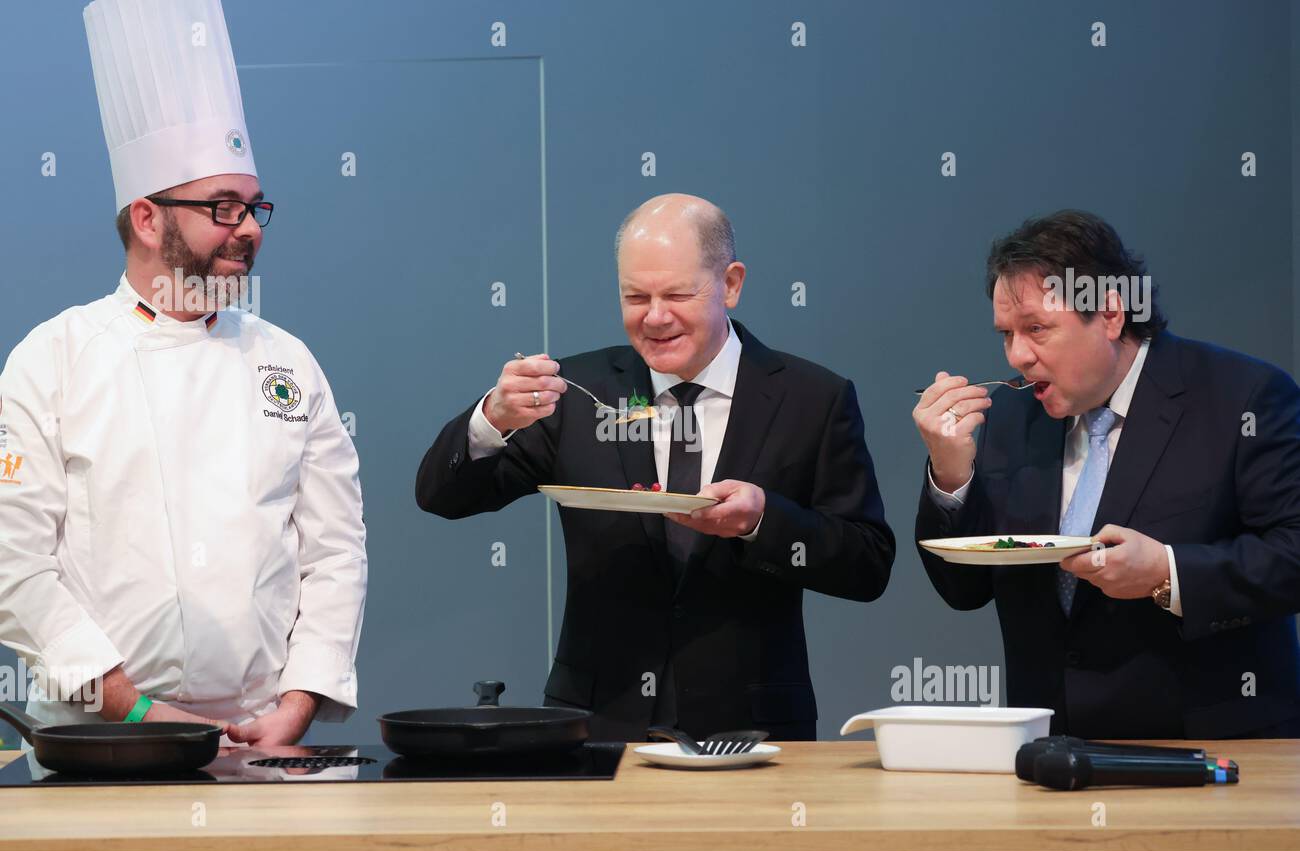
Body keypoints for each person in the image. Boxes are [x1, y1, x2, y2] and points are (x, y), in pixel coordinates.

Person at [0, 0, 366, 747]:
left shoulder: (286, 361)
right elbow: (15, 560)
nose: (251, 228)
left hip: (262, 735)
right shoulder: (54, 357)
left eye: (254, 206)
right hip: (99, 737)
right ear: (146, 218)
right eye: (223, 209)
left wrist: (297, 703)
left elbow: (335, 549)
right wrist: (131, 706)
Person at [416, 193, 894, 741]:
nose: (655, 316)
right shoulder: (576, 392)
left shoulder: (812, 398)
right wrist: (491, 419)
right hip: (599, 727)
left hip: (754, 734)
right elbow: (442, 496)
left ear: (731, 284)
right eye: (635, 296)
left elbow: (867, 565)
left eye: (677, 294)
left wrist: (763, 523)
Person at [913, 209, 1300, 738]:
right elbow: (963, 588)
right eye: (1006, 333)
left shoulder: (1243, 399)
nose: (1018, 356)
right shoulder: (1010, 418)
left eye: (1037, 329)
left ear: (1111, 313)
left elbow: (1292, 555)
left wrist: (1167, 573)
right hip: (1052, 750)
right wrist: (950, 474)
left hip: (1206, 748)